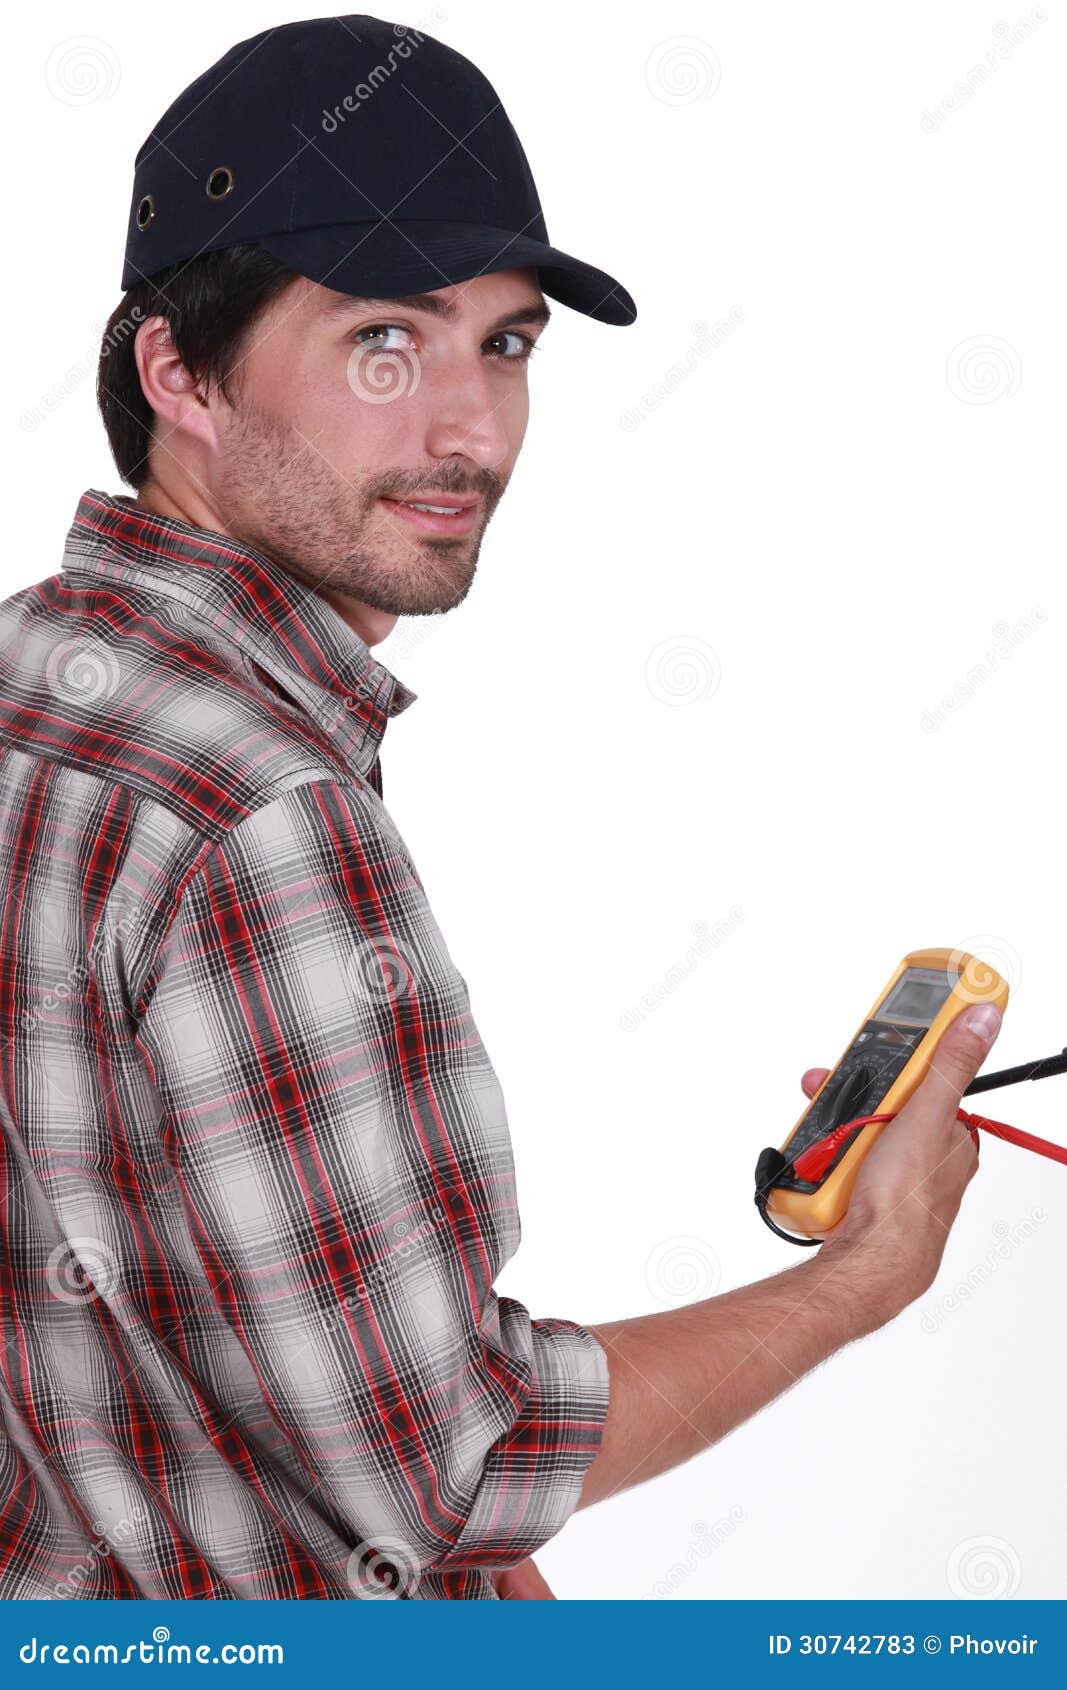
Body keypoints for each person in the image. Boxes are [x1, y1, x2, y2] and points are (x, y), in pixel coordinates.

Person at [0, 15, 1000, 1601]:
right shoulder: (265, 817)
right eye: (383, 343)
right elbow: (450, 1469)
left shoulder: (37, 678)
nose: (468, 429)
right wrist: (868, 1274)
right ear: (175, 371)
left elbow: (155, 1337)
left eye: (506, 345)